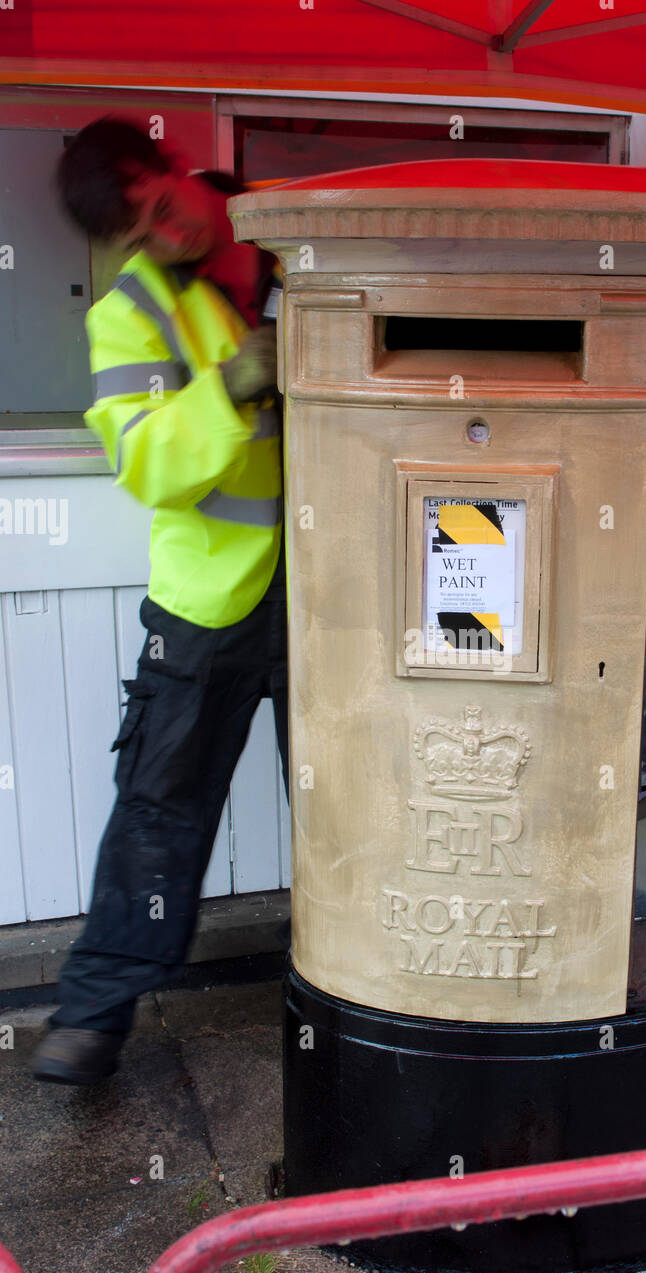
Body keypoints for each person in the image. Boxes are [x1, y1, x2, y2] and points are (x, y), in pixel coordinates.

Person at [30, 118, 288, 1085]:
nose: (163, 234)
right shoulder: (128, 315)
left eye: (161, 207)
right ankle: (93, 1014)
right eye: (138, 233)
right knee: (161, 803)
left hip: (331, 584)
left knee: (351, 792)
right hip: (213, 596)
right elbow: (145, 462)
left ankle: (368, 983)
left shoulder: (279, 237)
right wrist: (232, 385)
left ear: (174, 168)